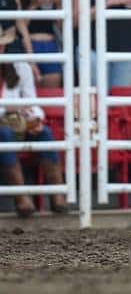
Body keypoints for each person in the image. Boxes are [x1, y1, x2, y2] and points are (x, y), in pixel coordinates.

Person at [0, 26, 66, 217]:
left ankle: (57, 194)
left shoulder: (20, 66)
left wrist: (35, 118)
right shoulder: (19, 65)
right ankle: (21, 197)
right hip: (6, 127)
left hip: (19, 123)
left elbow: (33, 101)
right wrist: (9, 109)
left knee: (44, 132)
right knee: (4, 135)